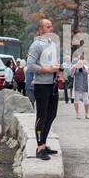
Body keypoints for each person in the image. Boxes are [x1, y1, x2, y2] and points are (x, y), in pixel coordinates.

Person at [26, 18, 61, 160]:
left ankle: (44, 144)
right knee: (41, 117)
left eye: (51, 26)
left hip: (53, 84)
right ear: (40, 30)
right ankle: (39, 148)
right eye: (48, 27)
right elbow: (30, 65)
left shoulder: (52, 44)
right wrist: (47, 70)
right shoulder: (36, 45)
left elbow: (53, 63)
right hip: (41, 85)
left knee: (51, 115)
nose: (51, 29)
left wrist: (58, 71)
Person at [71, 54, 89, 119]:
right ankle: (77, 114)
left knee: (86, 100)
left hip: (85, 85)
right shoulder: (75, 66)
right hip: (77, 85)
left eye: (82, 59)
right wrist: (76, 67)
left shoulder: (86, 66)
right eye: (80, 59)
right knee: (76, 100)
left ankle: (87, 113)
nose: (81, 60)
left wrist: (87, 65)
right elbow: (71, 74)